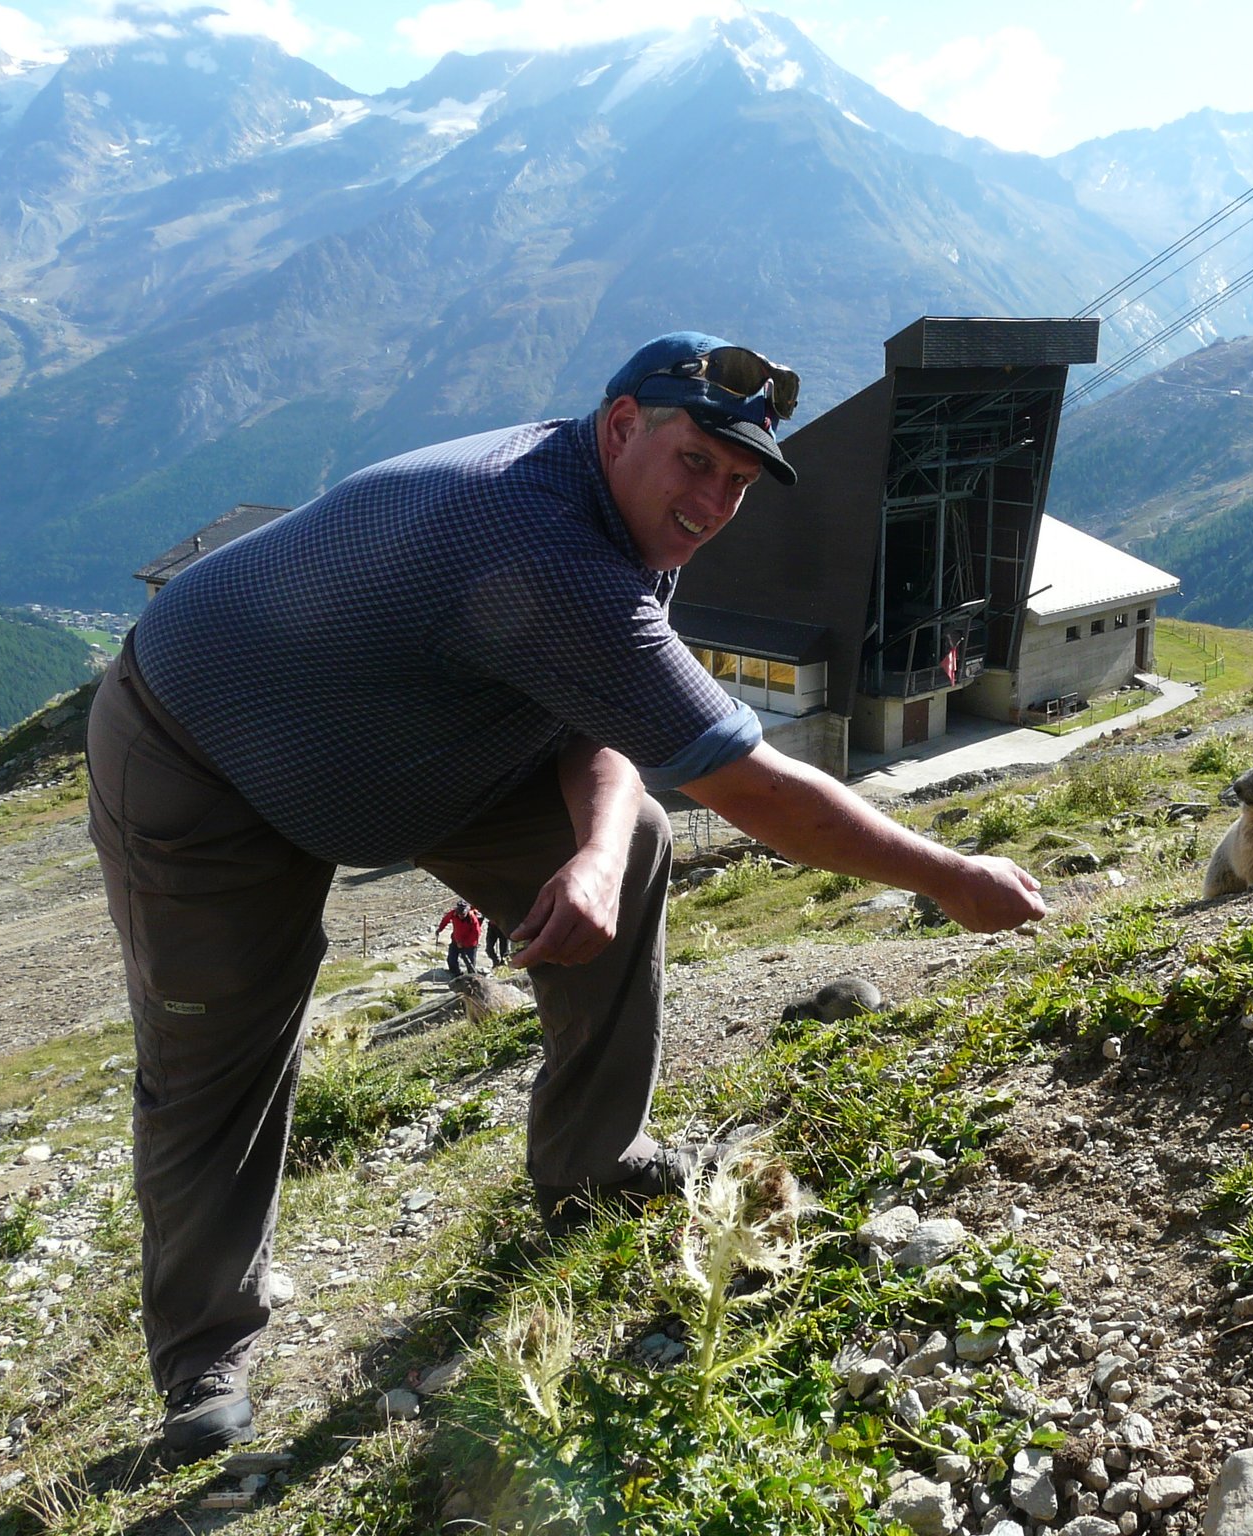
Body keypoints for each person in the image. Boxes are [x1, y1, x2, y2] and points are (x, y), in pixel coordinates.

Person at [84, 331, 1046, 1460]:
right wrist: (948, 877)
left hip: (416, 740)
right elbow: (749, 787)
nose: (712, 503)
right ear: (621, 423)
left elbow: (593, 703)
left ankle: (592, 1162)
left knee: (627, 835)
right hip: (205, 756)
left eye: (738, 482)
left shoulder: (624, 514)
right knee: (217, 1055)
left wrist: (588, 860)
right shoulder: (531, 528)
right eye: (697, 462)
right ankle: (202, 1365)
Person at [436, 899, 482, 976]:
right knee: (451, 960)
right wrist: (440, 929)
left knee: (470, 963)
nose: (461, 916)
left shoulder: (472, 918)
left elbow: (476, 933)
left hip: (470, 945)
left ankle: (472, 978)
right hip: (456, 941)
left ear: (467, 912)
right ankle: (457, 976)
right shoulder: (453, 914)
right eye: (459, 914)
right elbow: (445, 920)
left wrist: (463, 943)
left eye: (463, 914)